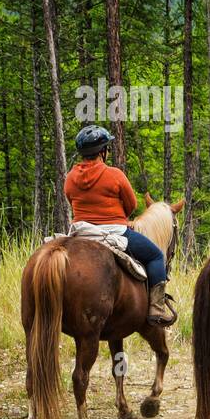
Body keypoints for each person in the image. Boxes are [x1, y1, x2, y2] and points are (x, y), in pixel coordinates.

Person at [64, 124, 177, 326]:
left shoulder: (70, 177)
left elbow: (70, 200)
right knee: (155, 256)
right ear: (102, 152)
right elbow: (132, 204)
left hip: (80, 233)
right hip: (114, 231)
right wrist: (115, 217)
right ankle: (156, 308)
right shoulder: (115, 175)